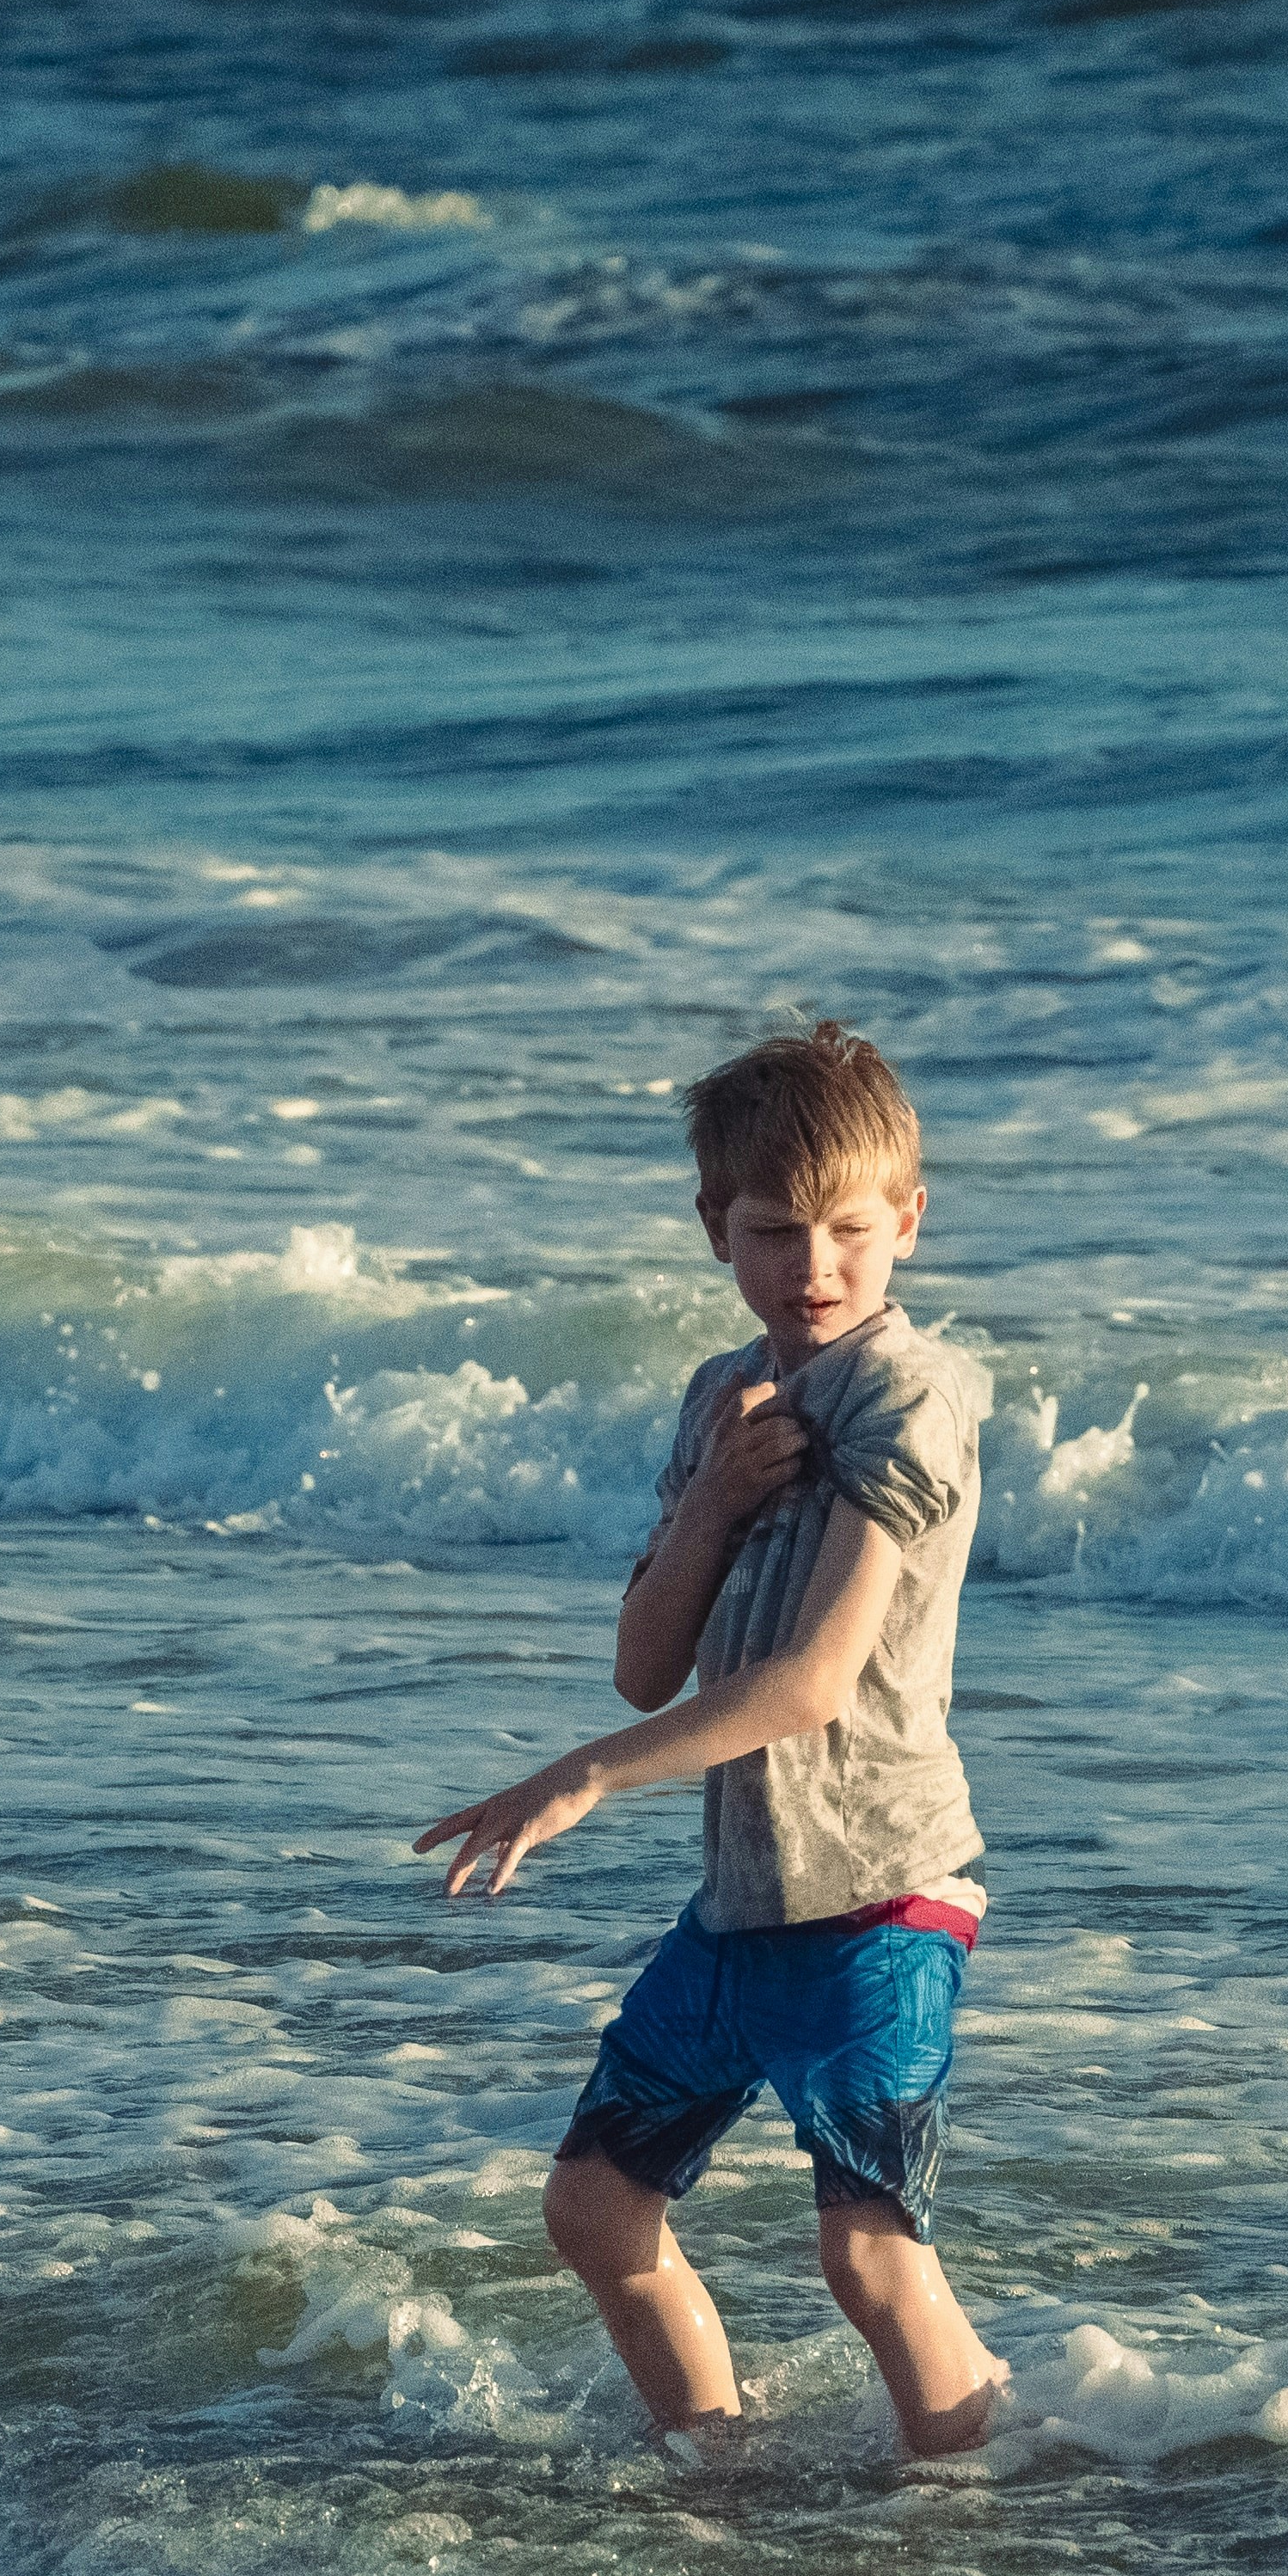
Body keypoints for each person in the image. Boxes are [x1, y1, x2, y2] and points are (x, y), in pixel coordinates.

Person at [414, 1021, 1014, 2462]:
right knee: (597, 2211)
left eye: (851, 1232)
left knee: (868, 2262)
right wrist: (713, 1504)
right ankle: (718, 2481)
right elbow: (641, 1666)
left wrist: (579, 1782)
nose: (814, 1265)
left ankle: (977, 2523)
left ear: (909, 1225)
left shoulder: (909, 1399)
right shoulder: (719, 1400)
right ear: (714, 1230)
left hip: (880, 1891)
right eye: (773, 1231)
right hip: (747, 1903)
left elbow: (811, 1684)